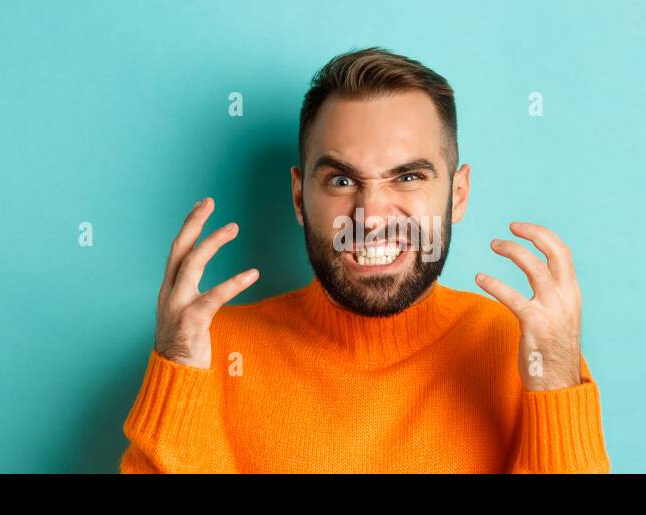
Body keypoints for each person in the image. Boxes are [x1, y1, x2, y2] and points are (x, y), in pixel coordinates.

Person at [120, 47, 609, 473]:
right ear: (298, 197)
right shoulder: (211, 351)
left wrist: (556, 385)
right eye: (341, 181)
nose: (371, 217)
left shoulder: (520, 349)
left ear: (458, 194)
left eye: (409, 177)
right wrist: (177, 363)